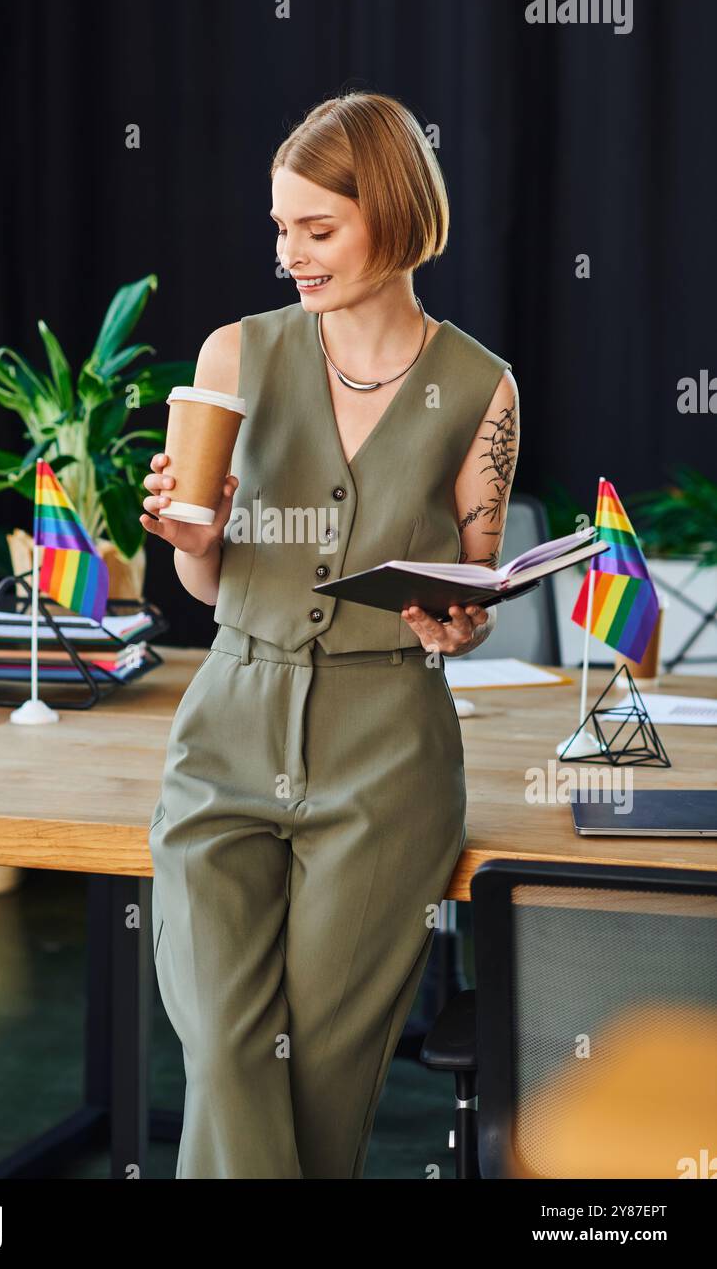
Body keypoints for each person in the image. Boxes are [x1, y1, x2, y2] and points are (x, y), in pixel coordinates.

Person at [141, 91, 520, 1179]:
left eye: (317, 228)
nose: (288, 254)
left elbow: (471, 589)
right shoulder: (233, 356)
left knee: (318, 1077)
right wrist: (187, 532)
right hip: (226, 734)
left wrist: (454, 623)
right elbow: (205, 582)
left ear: (393, 216)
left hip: (386, 753)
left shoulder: (478, 388)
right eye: (278, 228)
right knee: (223, 1054)